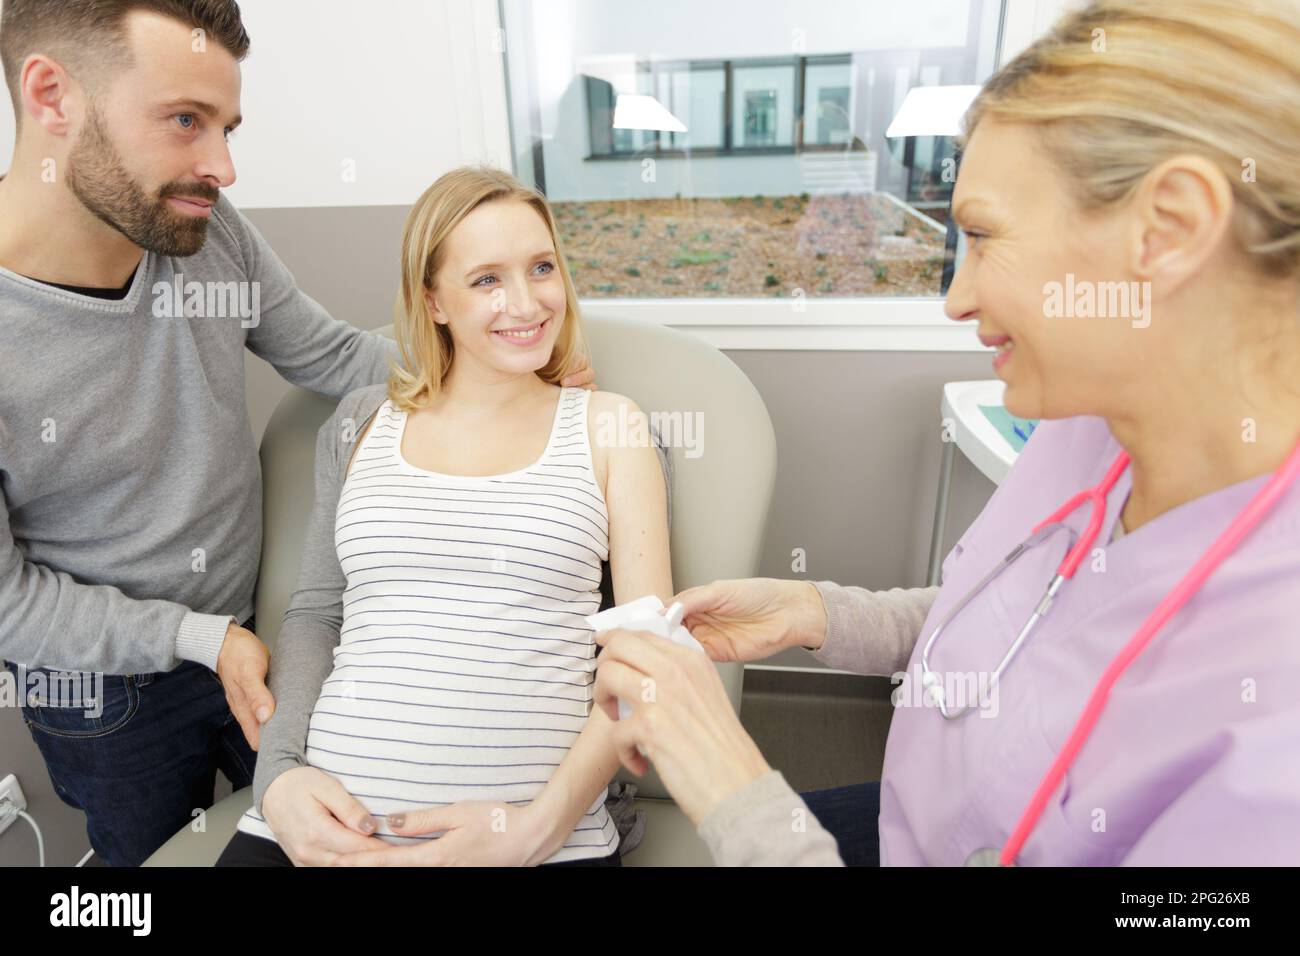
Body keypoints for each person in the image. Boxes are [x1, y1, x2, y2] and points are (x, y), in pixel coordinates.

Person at [592, 0, 1300, 866]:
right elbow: (1017, 624)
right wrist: (814, 613)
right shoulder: (1086, 422)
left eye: (982, 235)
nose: (955, 298)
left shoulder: (1275, 742)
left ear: (1172, 227)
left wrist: (727, 782)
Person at [0, 0, 597, 867]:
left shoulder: (200, 230)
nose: (224, 167)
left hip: (268, 635)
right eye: (184, 121)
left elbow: (336, 357)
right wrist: (200, 638)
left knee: (326, 832)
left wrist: (498, 347)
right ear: (51, 95)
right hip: (107, 693)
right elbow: (9, 604)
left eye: (228, 126)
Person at [215, 166, 672, 867]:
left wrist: (537, 829)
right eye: (486, 279)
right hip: (319, 831)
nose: (526, 302)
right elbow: (315, 614)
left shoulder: (613, 428)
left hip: (536, 842)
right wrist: (276, 780)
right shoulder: (360, 424)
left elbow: (647, 663)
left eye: (541, 267)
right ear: (432, 301)